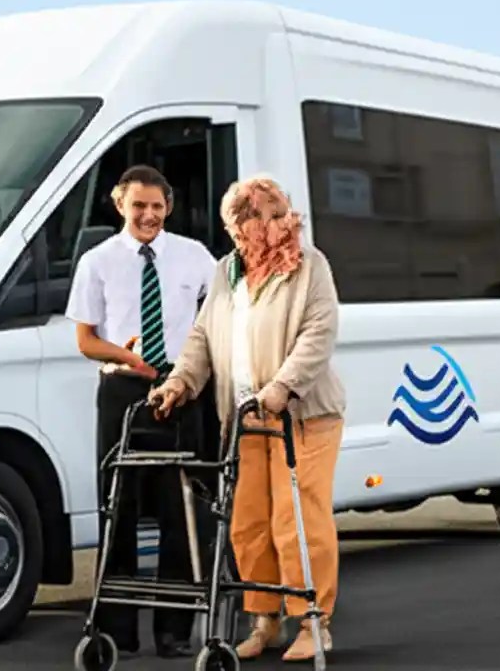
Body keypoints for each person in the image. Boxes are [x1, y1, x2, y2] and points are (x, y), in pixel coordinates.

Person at [148, 174, 346, 662]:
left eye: (255, 218)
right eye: (237, 223)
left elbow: (319, 333)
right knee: (248, 523)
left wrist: (281, 388)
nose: (244, 230)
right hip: (242, 419)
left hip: (302, 416)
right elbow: (202, 338)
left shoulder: (309, 266)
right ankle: (265, 620)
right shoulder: (226, 272)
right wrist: (179, 382)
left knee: (294, 519)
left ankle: (313, 622)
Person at [66, 164, 218, 658]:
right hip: (124, 392)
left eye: (156, 206)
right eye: (139, 206)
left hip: (180, 389)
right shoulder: (97, 261)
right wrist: (126, 357)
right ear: (120, 206)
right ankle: (117, 631)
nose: (148, 215)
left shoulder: (195, 257)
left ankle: (174, 633)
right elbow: (86, 340)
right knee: (120, 507)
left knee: (182, 508)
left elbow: (221, 313)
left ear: (168, 207)